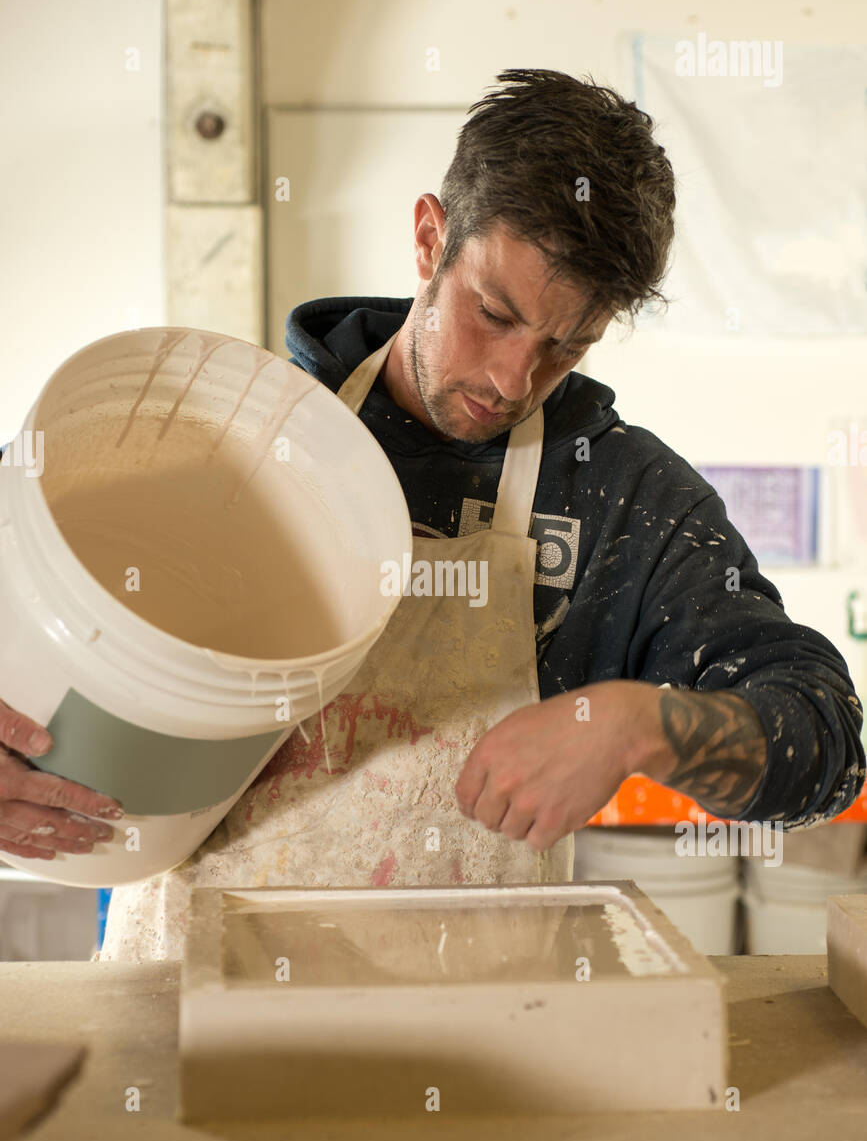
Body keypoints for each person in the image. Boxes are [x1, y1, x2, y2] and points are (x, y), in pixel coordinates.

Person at [1, 69, 863, 961]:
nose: (511, 380)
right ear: (428, 237)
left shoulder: (623, 502)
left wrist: (642, 723)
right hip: (186, 1026)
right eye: (492, 314)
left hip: (475, 1044)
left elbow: (827, 745)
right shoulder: (218, 431)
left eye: (567, 345)